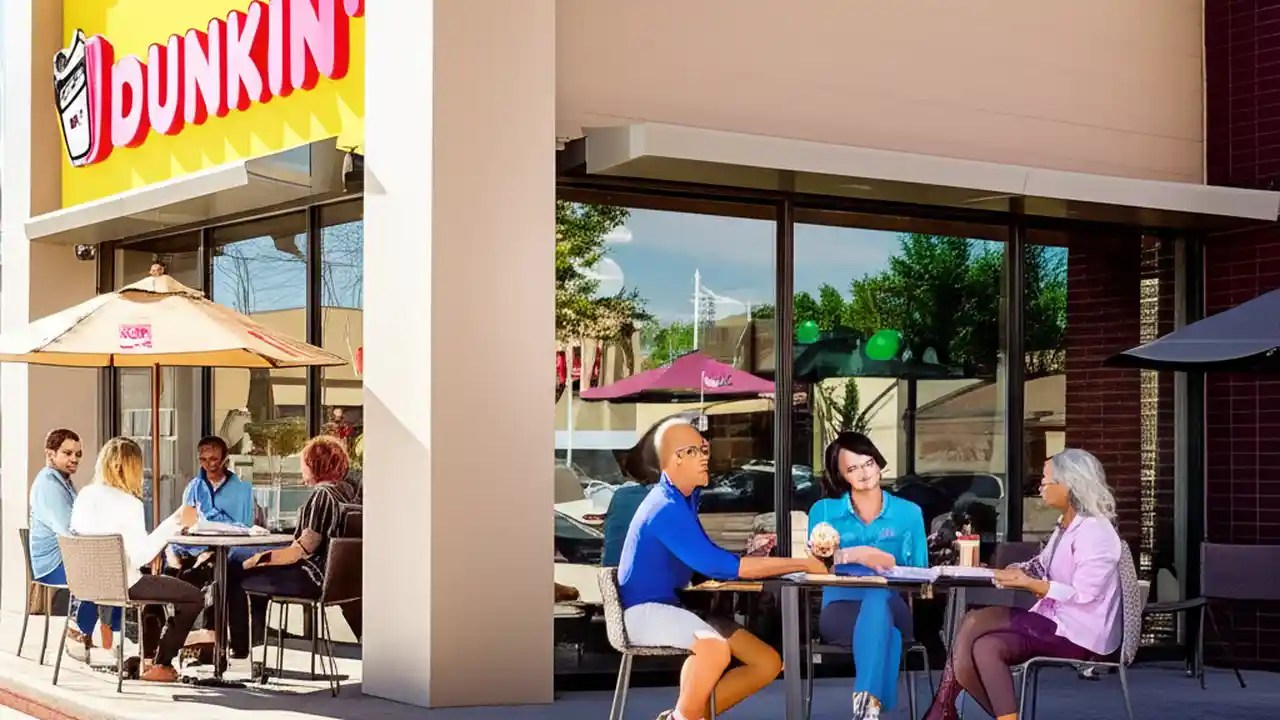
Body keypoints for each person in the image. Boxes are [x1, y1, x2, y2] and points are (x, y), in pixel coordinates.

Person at [619, 418, 827, 720]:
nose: (707, 456)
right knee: (713, 648)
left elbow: (708, 561)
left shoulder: (685, 499)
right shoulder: (665, 508)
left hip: (675, 609)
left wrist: (754, 559)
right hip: (645, 612)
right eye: (697, 450)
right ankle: (684, 717)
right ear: (677, 457)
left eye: (706, 448)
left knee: (766, 662)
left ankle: (687, 715)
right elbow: (719, 566)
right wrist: (802, 563)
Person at [923, 448, 1124, 720]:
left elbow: (1086, 595)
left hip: (1080, 632)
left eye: (1046, 479)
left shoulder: (1095, 531)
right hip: (1054, 621)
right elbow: (1039, 566)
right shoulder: (1065, 525)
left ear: (1070, 484)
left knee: (973, 621)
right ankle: (963, 712)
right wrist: (1002, 572)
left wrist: (1031, 584)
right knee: (986, 647)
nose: (1039, 485)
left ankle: (943, 710)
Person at [807, 432, 928, 720]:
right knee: (889, 634)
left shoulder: (909, 513)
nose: (863, 473)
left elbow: (921, 573)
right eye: (852, 469)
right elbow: (813, 565)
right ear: (840, 475)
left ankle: (865, 709)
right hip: (839, 610)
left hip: (894, 604)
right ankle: (867, 709)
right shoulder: (823, 511)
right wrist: (858, 554)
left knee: (879, 599)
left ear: (878, 462)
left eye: (868, 463)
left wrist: (890, 565)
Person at [68, 437, 204, 683]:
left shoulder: (84, 495)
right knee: (194, 596)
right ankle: (160, 664)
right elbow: (140, 556)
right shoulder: (129, 504)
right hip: (123, 584)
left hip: (86, 585)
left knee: (162, 587)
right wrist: (174, 523)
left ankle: (151, 658)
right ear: (132, 468)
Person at [240, 436, 362, 644]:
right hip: (338, 582)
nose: (301, 468)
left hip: (312, 578)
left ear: (315, 464)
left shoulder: (322, 495)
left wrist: (261, 558)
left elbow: (303, 549)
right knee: (245, 568)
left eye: (304, 462)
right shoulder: (346, 495)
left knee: (238, 569)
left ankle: (245, 646)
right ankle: (254, 644)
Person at [27, 428, 122, 663]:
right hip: (54, 563)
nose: (74, 459)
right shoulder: (49, 484)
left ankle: (104, 633)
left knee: (116, 569)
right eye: (67, 453)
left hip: (68, 556)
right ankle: (85, 632)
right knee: (108, 572)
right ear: (50, 454)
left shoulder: (64, 482)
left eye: (78, 454)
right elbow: (69, 529)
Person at [168, 435, 257, 659]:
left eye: (214, 458)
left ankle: (221, 643)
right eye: (204, 459)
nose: (209, 464)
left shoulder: (242, 489)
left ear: (225, 458)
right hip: (197, 551)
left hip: (231, 550)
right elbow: (187, 523)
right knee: (208, 576)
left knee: (225, 574)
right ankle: (213, 643)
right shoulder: (194, 487)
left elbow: (245, 527)